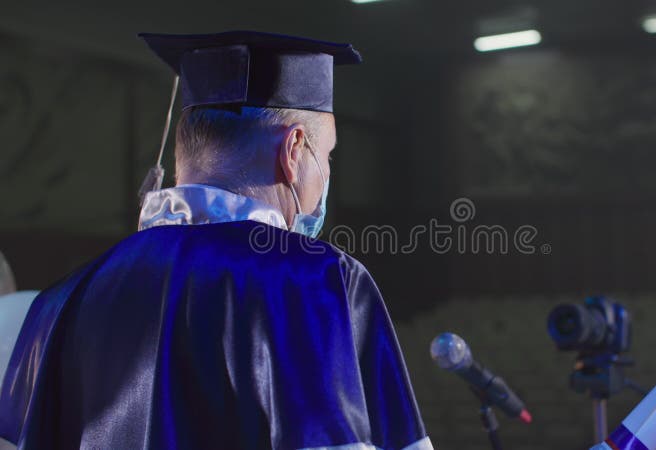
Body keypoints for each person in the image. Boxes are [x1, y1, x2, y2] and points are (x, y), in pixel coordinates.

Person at [0, 31, 432, 450]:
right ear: (295, 150)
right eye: (329, 155)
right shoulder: (317, 283)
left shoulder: (58, 304)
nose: (326, 174)